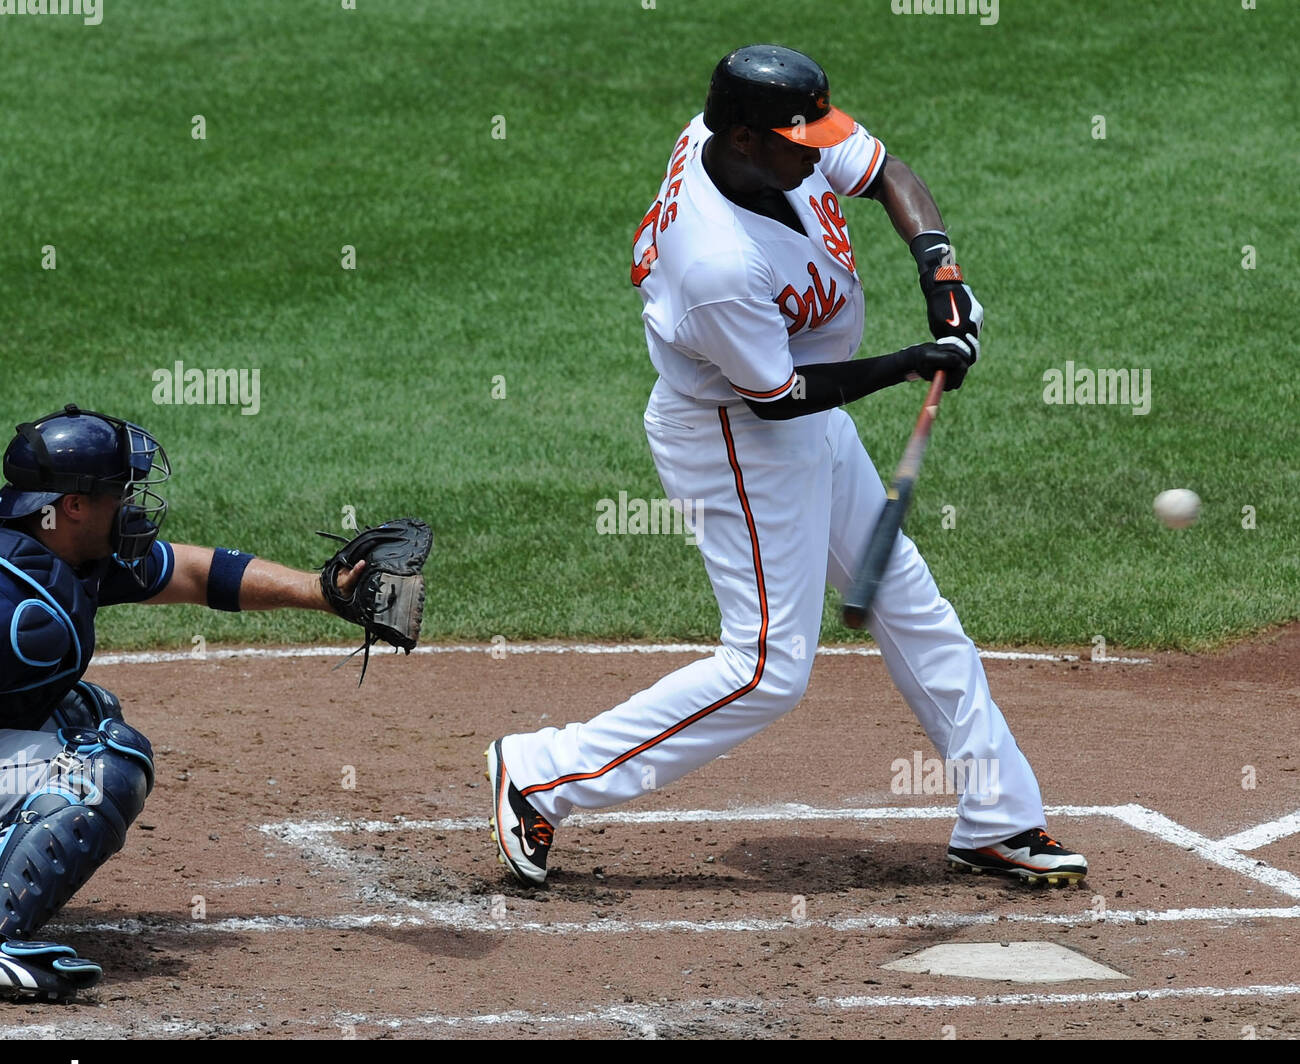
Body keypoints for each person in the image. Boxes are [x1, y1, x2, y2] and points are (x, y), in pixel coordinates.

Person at [486, 44, 1086, 892]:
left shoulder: (758, 140)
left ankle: (998, 816)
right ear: (742, 139)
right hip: (734, 435)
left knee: (910, 605)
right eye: (800, 142)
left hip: (805, 419)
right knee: (767, 669)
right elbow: (779, 397)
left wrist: (940, 272)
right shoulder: (718, 262)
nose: (818, 155)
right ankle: (543, 773)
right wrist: (911, 361)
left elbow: (890, 175)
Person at [0, 404, 419, 1001]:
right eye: (119, 491)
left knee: (85, 712)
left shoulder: (58, 551)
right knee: (103, 769)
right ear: (73, 505)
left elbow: (194, 573)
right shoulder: (16, 605)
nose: (131, 503)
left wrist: (323, 592)